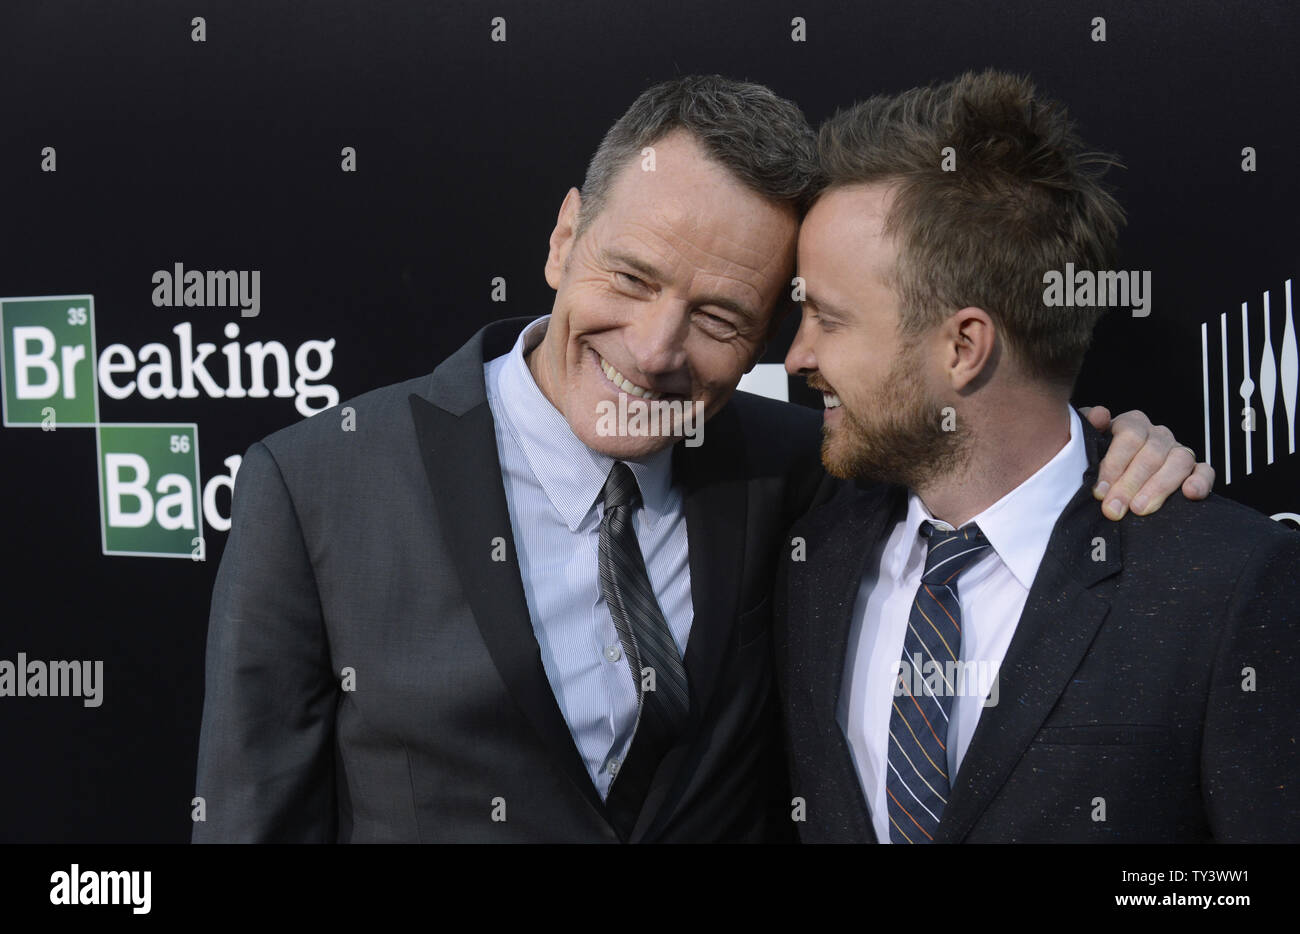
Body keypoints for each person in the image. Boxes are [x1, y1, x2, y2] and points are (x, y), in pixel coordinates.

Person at [193, 75, 1206, 843]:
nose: (652, 348)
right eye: (628, 276)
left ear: (771, 334)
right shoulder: (317, 486)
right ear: (561, 239)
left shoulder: (800, 475)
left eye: (719, 316)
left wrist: (1116, 455)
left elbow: (993, 455)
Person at [777, 69, 1296, 843]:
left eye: (827, 319)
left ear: (964, 346)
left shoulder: (1225, 585)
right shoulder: (805, 555)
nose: (795, 357)